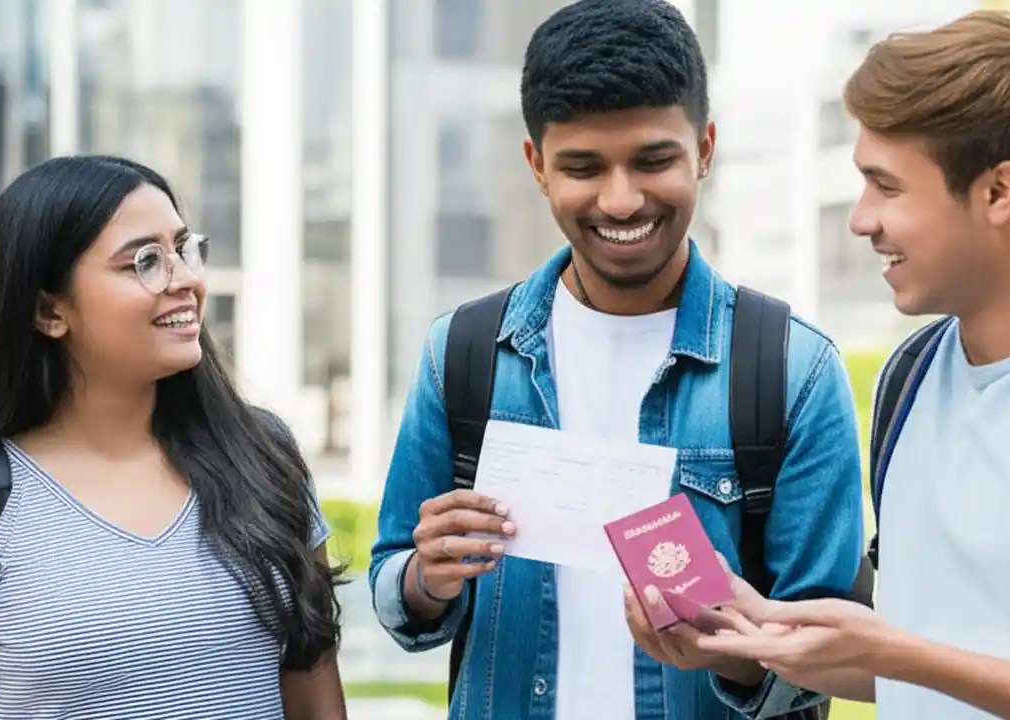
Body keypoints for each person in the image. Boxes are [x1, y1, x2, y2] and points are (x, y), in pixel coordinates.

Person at [367, 1, 864, 718]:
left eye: (654, 160)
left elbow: (833, 654)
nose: (621, 199)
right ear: (537, 165)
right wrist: (427, 577)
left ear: (707, 148)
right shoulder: (465, 353)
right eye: (583, 167)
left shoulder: (791, 370)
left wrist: (733, 647)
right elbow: (395, 592)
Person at [688, 10, 1010, 719]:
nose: (862, 219)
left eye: (885, 187)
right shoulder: (908, 378)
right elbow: (938, 674)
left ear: (997, 192)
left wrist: (902, 654)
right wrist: (755, 639)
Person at [0, 156, 349, 719]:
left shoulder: (261, 452)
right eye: (144, 261)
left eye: (184, 250)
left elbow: (316, 705)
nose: (187, 279)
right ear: (48, 310)